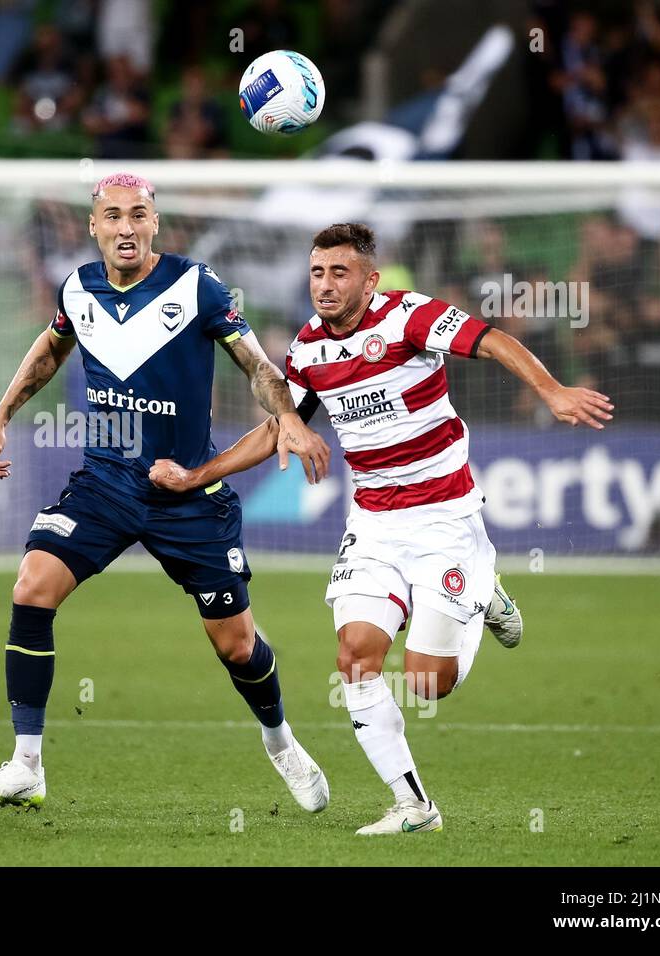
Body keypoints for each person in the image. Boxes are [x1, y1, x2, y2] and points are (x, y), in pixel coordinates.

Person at [149, 222, 614, 835]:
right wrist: (195, 477)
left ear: (371, 279)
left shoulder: (408, 318)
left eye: (340, 272)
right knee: (355, 656)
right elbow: (277, 429)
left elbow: (492, 339)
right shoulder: (308, 349)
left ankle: (484, 593)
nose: (325, 284)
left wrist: (551, 391)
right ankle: (414, 806)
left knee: (428, 684)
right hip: (373, 525)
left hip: (447, 520)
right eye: (317, 272)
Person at [0, 173, 333, 811]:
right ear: (93, 226)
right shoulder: (79, 287)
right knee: (31, 587)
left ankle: (281, 743)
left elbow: (255, 364)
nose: (126, 227)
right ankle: (26, 764)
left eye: (138, 215)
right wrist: (0, 417)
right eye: (112, 216)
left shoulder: (197, 286)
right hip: (105, 483)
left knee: (236, 645)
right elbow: (51, 350)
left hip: (186, 493)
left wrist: (292, 420)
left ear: (156, 223)